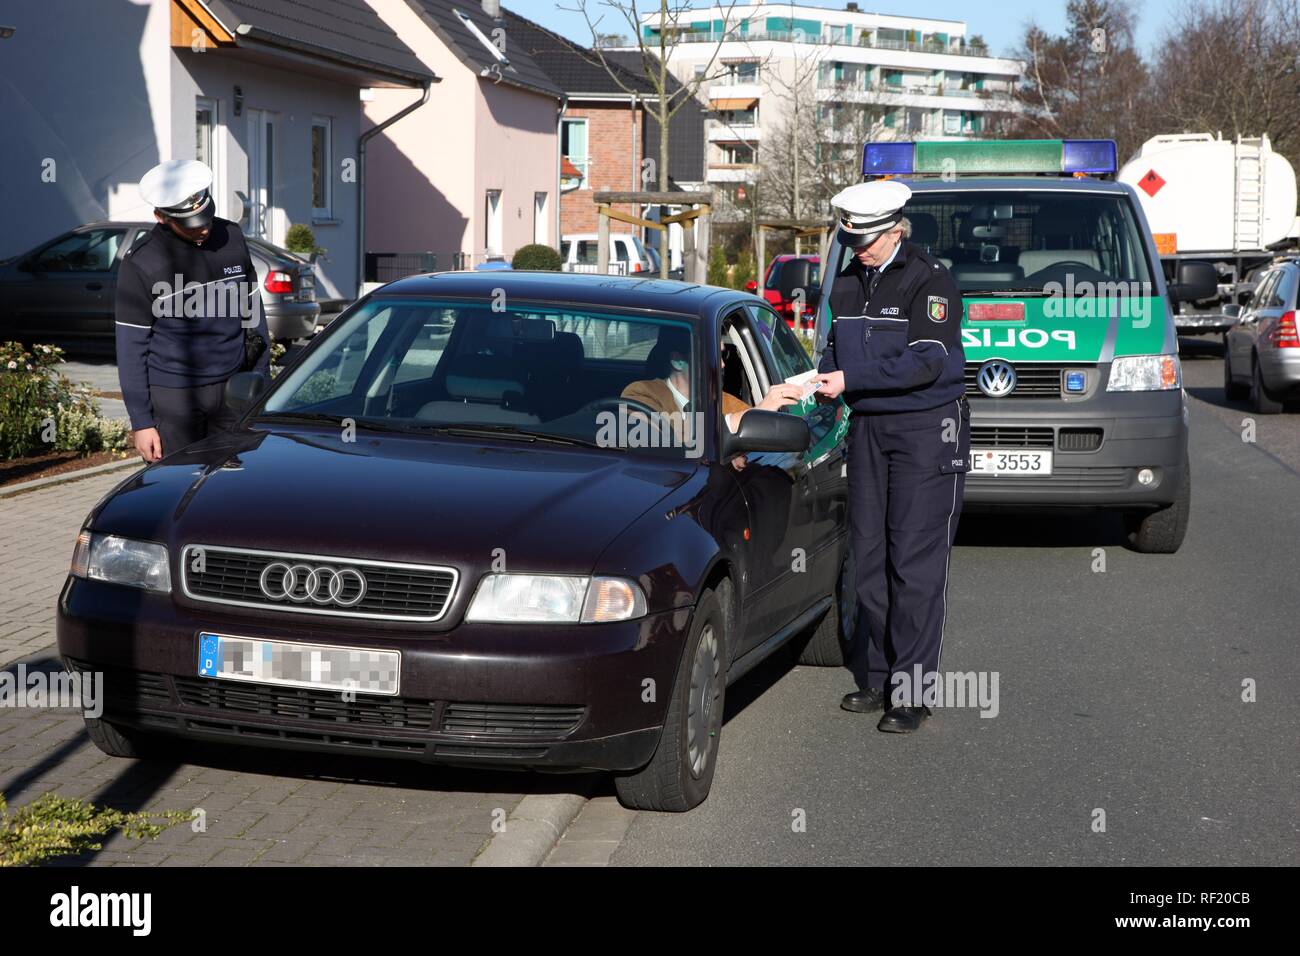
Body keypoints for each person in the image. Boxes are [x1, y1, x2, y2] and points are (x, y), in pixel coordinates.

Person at [812, 180, 970, 734]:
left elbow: (926, 363)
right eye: (851, 239)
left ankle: (912, 692)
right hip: (870, 431)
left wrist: (848, 378)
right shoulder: (848, 282)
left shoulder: (930, 281)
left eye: (868, 239)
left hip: (926, 432)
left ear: (895, 229)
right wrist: (804, 386)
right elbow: (832, 352)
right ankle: (878, 676)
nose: (858, 248)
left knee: (914, 565)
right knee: (870, 560)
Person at [115, 159, 270, 463]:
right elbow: (130, 348)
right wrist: (142, 423)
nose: (203, 229)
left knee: (235, 485)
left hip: (234, 391)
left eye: (206, 219)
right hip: (175, 399)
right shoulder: (140, 264)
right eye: (192, 225)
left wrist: (260, 378)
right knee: (179, 487)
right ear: (161, 217)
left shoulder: (232, 237)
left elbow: (253, 313)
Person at [621, 325, 803, 433]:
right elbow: (656, 435)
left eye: (723, 356)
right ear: (678, 361)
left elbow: (753, 446)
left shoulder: (730, 405)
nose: (722, 365)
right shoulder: (641, 393)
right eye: (713, 357)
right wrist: (748, 418)